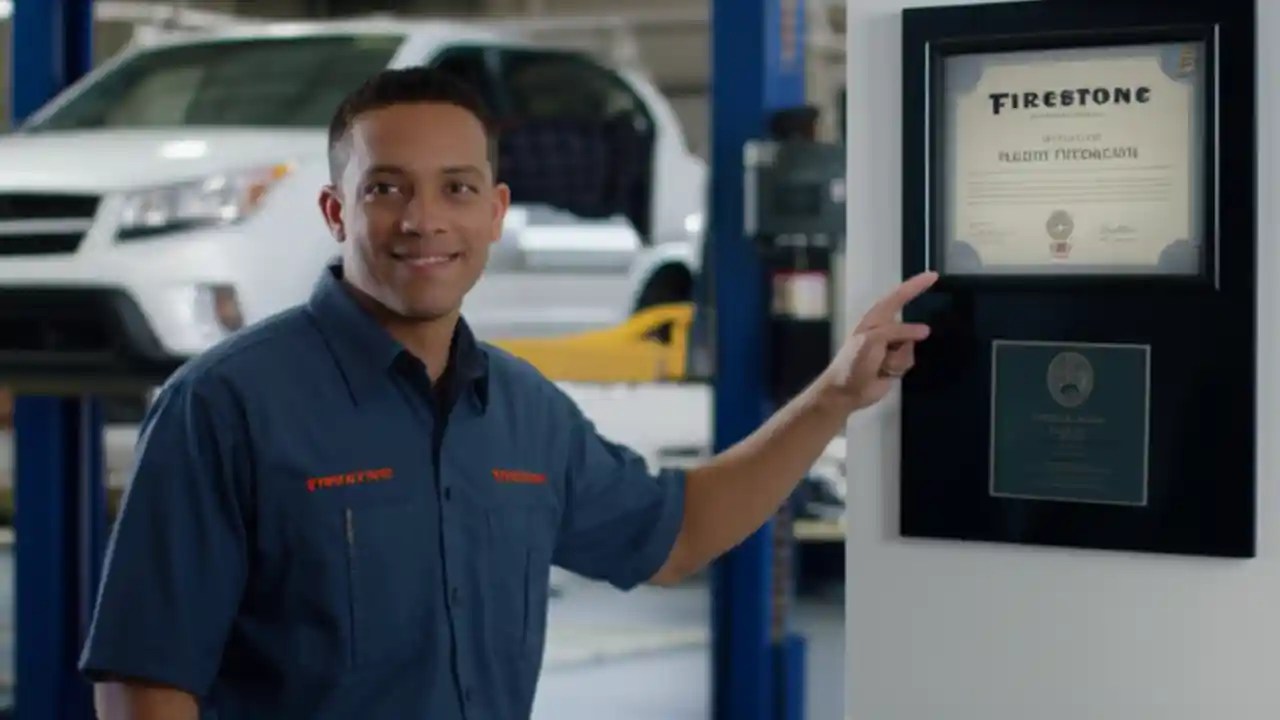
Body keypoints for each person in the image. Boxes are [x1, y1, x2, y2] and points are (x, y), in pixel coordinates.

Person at [80, 66, 936, 720]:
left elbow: (677, 535)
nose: (424, 220)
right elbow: (143, 680)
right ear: (337, 212)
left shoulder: (525, 412)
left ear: (494, 211)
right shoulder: (224, 405)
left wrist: (832, 396)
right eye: (386, 188)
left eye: (455, 189)